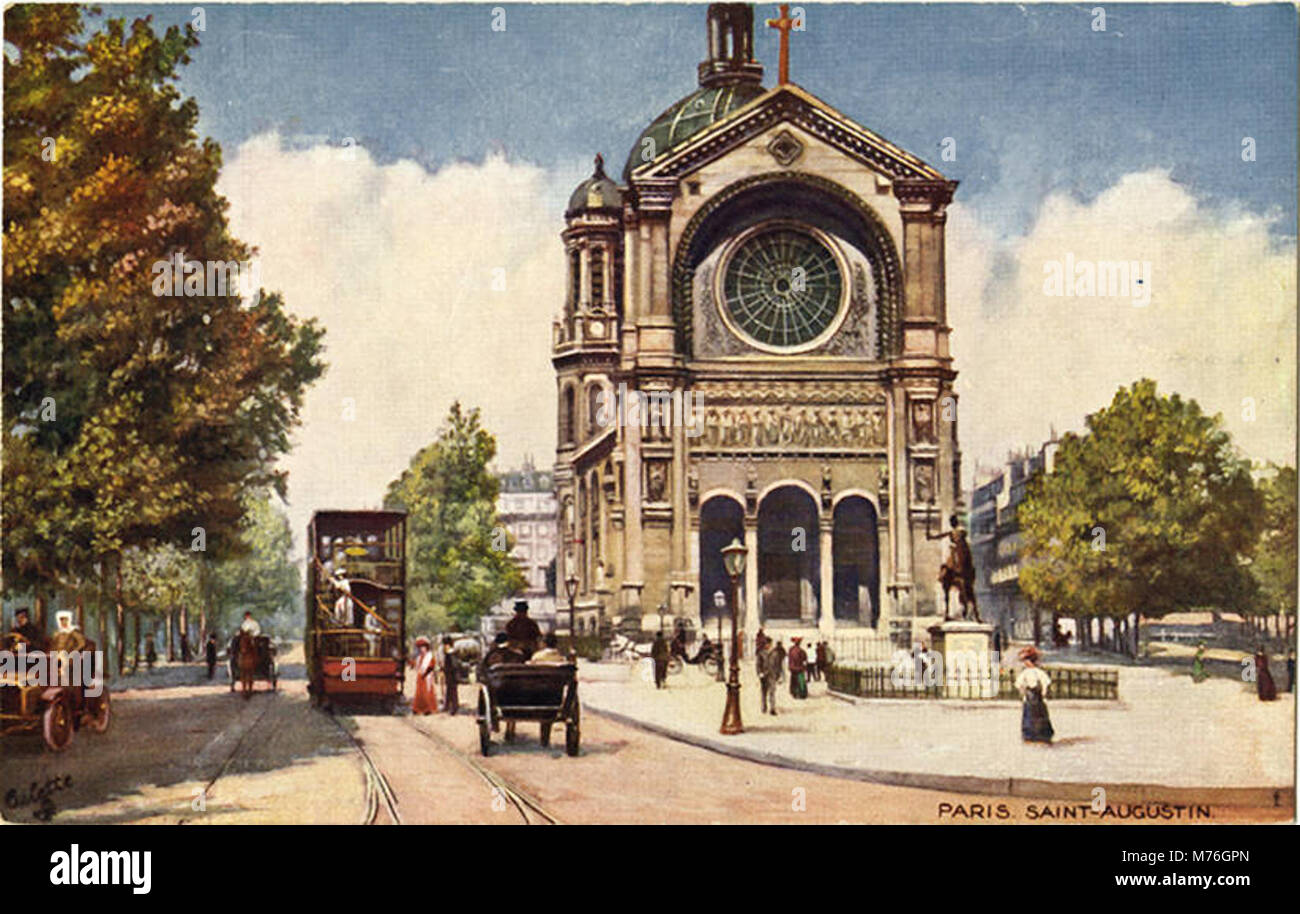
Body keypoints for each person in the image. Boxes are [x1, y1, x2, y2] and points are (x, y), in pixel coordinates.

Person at [1015, 646, 1053, 743]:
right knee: (1029, 717)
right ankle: (1029, 735)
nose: (1026, 663)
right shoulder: (1025, 673)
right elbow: (1019, 685)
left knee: (1040, 717)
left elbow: (1045, 683)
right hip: (1029, 697)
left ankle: (1042, 735)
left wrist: (1044, 693)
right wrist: (1023, 693)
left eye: (1027, 660)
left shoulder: (1038, 672)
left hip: (1038, 697)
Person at [409, 637, 438, 715]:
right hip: (420, 677)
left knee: (427, 692)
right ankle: (417, 708)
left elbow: (432, 666)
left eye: (423, 647)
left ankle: (428, 709)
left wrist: (425, 674)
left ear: (426, 648)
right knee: (419, 693)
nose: (422, 649)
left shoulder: (430, 656)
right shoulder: (419, 657)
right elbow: (414, 665)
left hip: (427, 677)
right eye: (420, 647)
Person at [757, 640, 780, 715]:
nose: (768, 645)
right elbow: (758, 664)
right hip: (764, 675)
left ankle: (772, 708)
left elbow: (777, 665)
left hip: (772, 675)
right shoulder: (761, 653)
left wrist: (778, 675)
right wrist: (760, 673)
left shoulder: (775, 653)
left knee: (772, 692)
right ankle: (764, 707)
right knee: (764, 692)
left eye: (769, 644)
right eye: (766, 644)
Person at [441, 636, 461, 715]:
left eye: (445, 645)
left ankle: (454, 708)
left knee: (453, 691)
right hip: (449, 674)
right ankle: (447, 706)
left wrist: (446, 670)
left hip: (452, 675)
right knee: (449, 690)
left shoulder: (451, 654)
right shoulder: (449, 653)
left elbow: (454, 665)